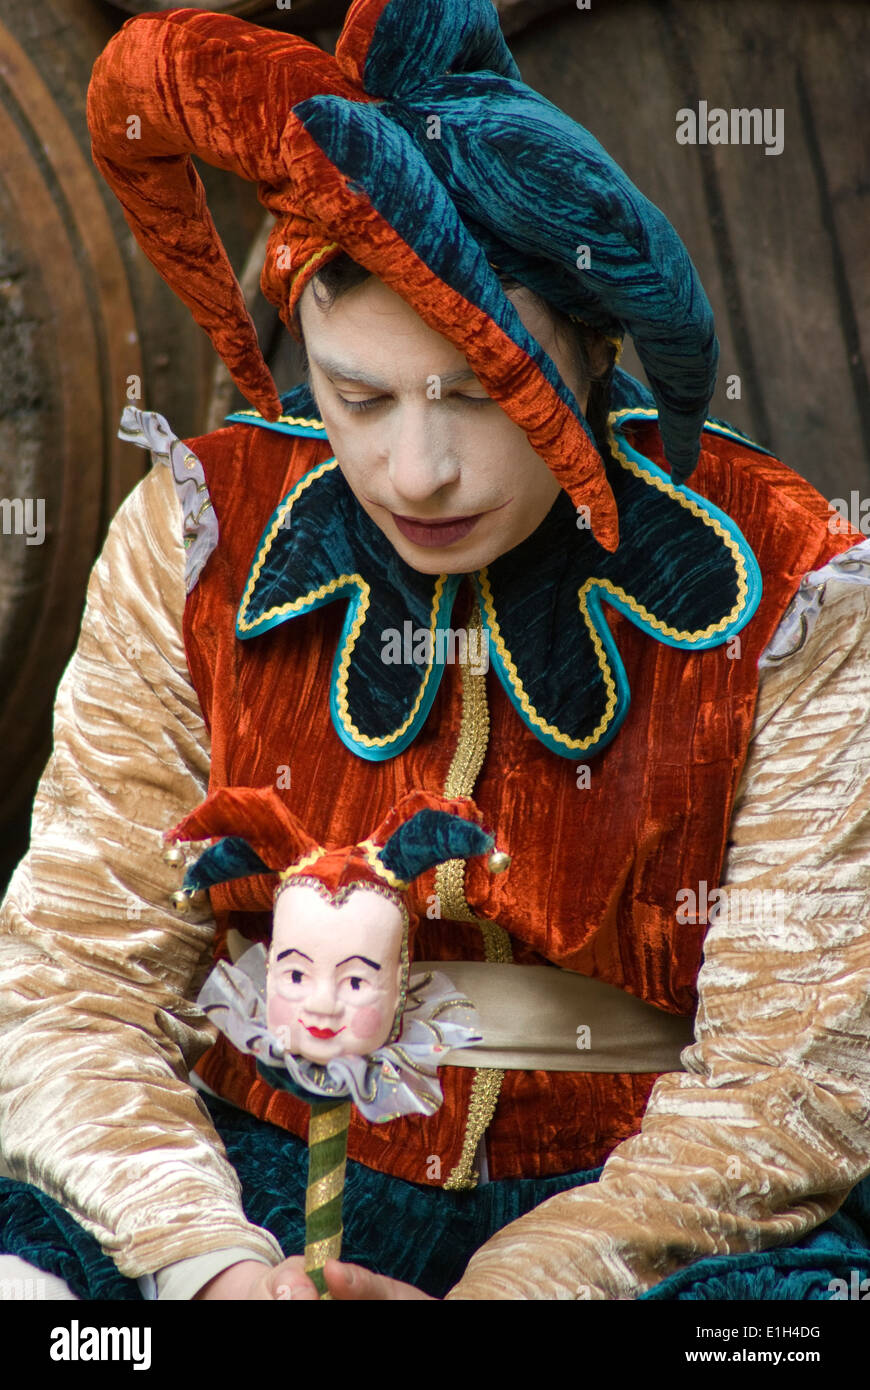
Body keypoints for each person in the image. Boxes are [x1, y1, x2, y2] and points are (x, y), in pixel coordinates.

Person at [1, 0, 869, 1304]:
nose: (418, 469)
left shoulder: (787, 578)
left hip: (638, 1210)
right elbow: (76, 979)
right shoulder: (195, 537)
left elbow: (792, 1072)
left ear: (591, 348)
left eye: (484, 395)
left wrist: (532, 1283)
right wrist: (209, 1260)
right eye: (357, 396)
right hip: (245, 1171)